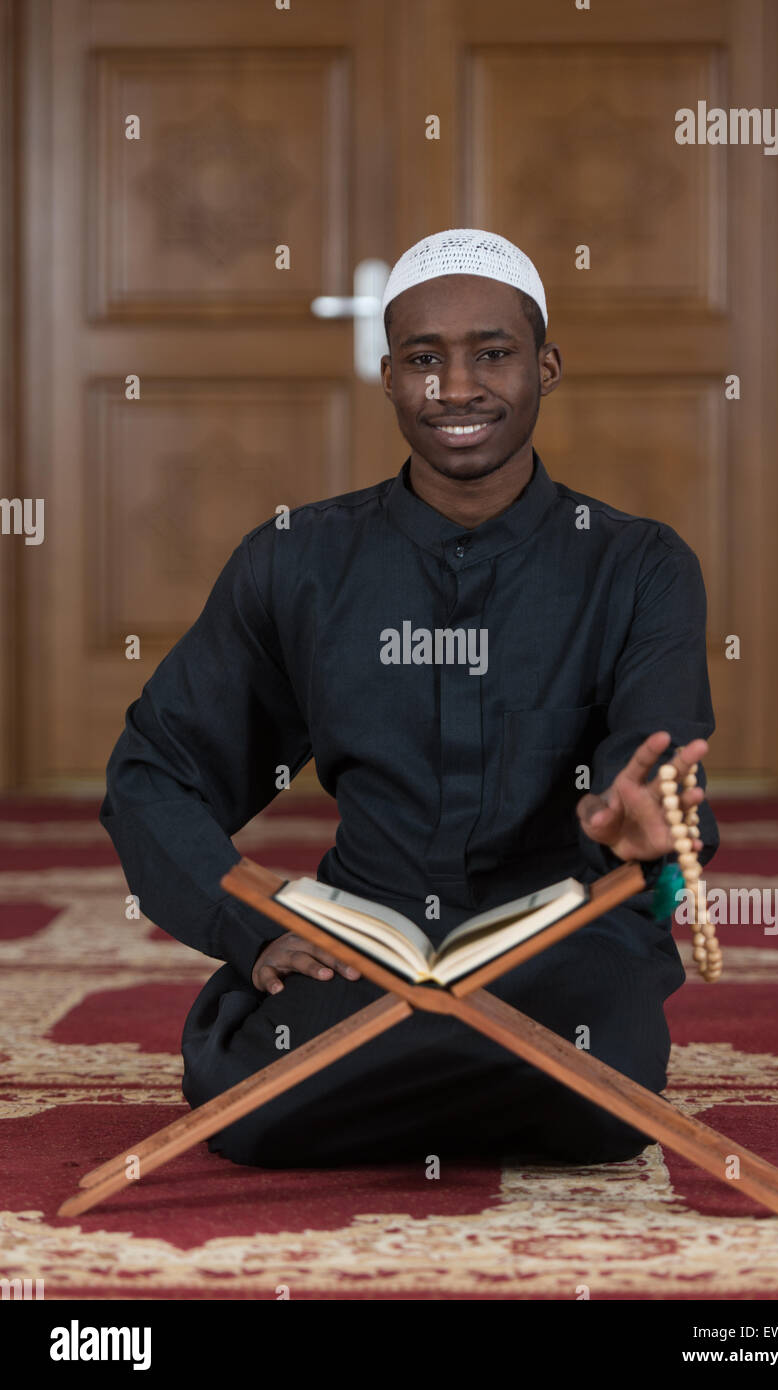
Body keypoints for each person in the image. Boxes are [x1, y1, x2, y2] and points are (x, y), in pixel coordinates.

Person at [99, 228, 719, 1168]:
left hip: (554, 943)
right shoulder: (296, 562)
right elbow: (156, 771)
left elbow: (659, 781)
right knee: (253, 1101)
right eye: (424, 360)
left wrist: (644, 830)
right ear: (388, 376)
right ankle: (433, 1062)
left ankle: (411, 1070)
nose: (457, 388)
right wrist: (252, 928)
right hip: (369, 944)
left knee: (599, 1091)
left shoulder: (636, 565)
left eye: (493, 355)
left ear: (545, 367)